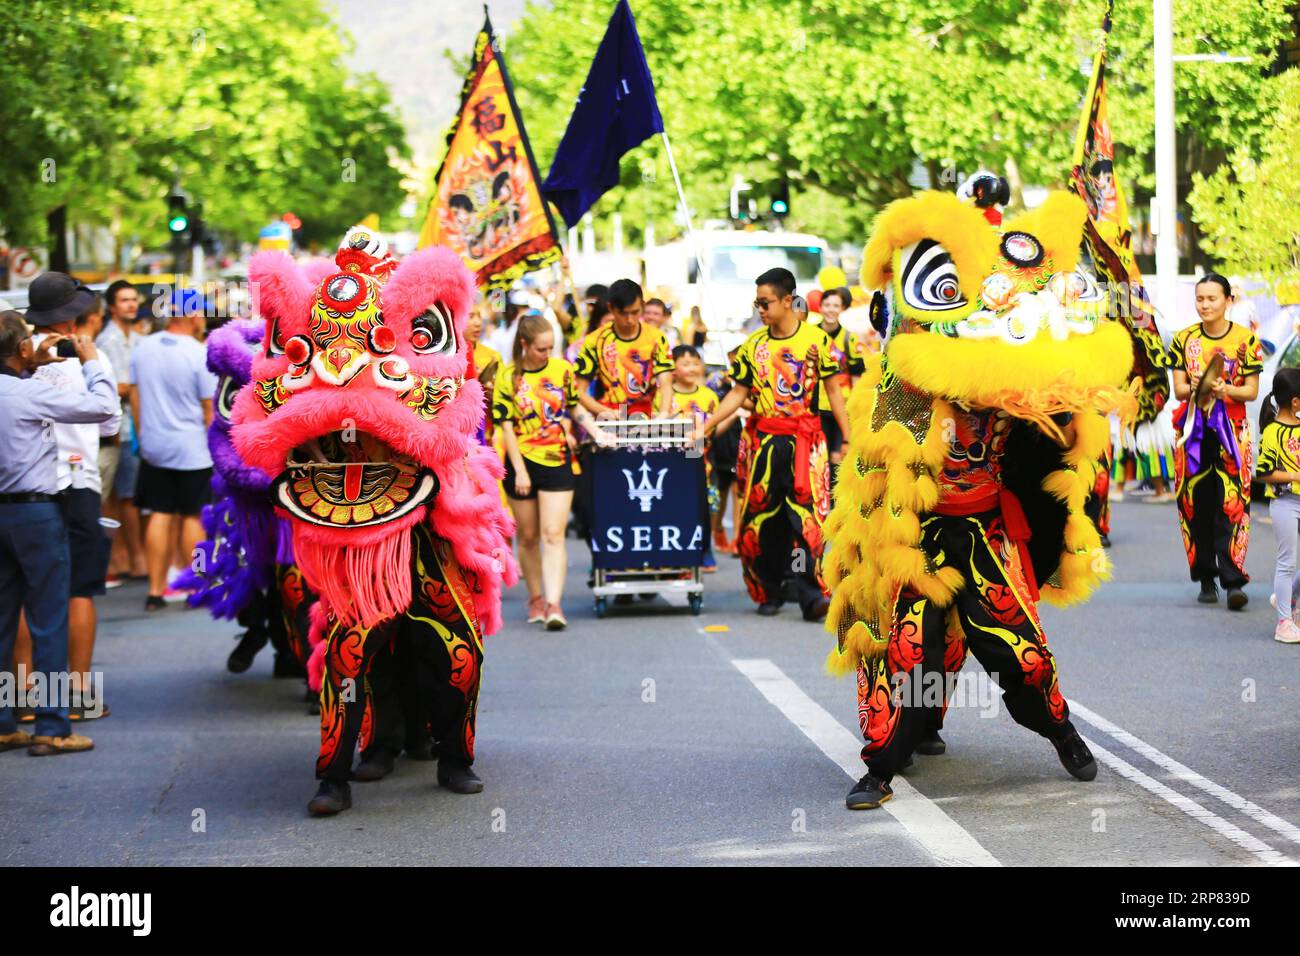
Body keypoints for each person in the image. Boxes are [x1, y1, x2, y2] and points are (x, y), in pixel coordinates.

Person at [696, 268, 847, 621]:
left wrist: (849, 437)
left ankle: (812, 596)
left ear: (786, 300)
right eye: (757, 303)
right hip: (762, 444)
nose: (760, 309)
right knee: (764, 521)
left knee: (809, 520)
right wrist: (708, 425)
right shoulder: (754, 346)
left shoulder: (817, 342)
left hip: (806, 445)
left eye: (765, 303)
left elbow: (836, 392)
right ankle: (770, 589)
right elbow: (738, 393)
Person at [0, 310, 117, 755]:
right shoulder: (32, 393)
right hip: (35, 515)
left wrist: (29, 360)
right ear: (21, 350)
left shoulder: (23, 383)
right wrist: (89, 362)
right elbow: (104, 411)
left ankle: (4, 720)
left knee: (3, 623)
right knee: (49, 619)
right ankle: (51, 726)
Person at [24, 274, 120, 720]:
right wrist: (93, 363)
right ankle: (78, 695)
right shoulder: (86, 363)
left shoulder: (18, 363)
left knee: (26, 593)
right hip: (77, 482)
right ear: (73, 316)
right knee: (80, 589)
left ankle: (23, 700)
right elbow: (109, 424)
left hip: (29, 491)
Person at [494, 315, 609, 629]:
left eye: (550, 348)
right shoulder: (507, 377)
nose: (547, 354)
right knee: (528, 537)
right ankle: (535, 598)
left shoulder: (562, 370)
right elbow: (506, 428)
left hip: (557, 458)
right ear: (524, 346)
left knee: (554, 534)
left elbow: (575, 406)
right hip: (521, 461)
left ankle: (555, 604)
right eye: (541, 349)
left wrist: (594, 429)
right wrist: (519, 470)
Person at [1170, 273, 1262, 609]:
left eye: (1212, 298)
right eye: (1200, 299)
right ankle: (1205, 578)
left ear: (1228, 300)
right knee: (1195, 505)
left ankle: (1234, 580)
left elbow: (1250, 392)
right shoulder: (1183, 339)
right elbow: (1178, 390)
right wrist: (1196, 385)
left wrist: (1227, 390)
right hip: (1192, 432)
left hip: (1232, 434)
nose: (1205, 305)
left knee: (1233, 505)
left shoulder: (1245, 340)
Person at [129, 289, 219, 611]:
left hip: (155, 446)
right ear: (193, 316)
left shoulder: (143, 347)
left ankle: (156, 590)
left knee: (160, 515)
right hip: (192, 448)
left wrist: (143, 435)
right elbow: (209, 409)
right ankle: (195, 585)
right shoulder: (198, 354)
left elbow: (135, 398)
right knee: (193, 517)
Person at [96, 280, 147, 582]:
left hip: (137, 427)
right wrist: (130, 388)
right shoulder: (106, 341)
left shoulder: (139, 339)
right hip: (120, 428)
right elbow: (115, 388)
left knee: (132, 496)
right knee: (123, 497)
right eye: (124, 300)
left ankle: (132, 556)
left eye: (133, 300)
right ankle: (127, 557)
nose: (130, 305)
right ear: (111, 307)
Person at [1253, 367, 1300, 644]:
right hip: (1285, 503)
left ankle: (1289, 599)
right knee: (1287, 562)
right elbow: (1263, 472)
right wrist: (1295, 475)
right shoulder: (1272, 432)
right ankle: (1284, 623)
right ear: (1295, 401)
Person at [670, 344, 722, 572]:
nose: (691, 368)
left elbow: (717, 425)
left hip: (704, 460)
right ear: (673, 368)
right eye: (684, 363)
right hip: (674, 460)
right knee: (677, 506)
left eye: (694, 363)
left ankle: (705, 549)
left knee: (706, 505)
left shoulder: (709, 396)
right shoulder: (666, 396)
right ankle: (678, 550)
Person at [816, 286, 865, 475]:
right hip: (816, 409)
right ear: (820, 307)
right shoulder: (810, 336)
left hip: (841, 410)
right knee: (818, 460)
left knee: (837, 461)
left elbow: (857, 378)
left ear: (842, 308)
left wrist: (856, 409)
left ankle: (834, 504)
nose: (831, 309)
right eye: (827, 304)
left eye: (836, 305)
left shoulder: (849, 339)